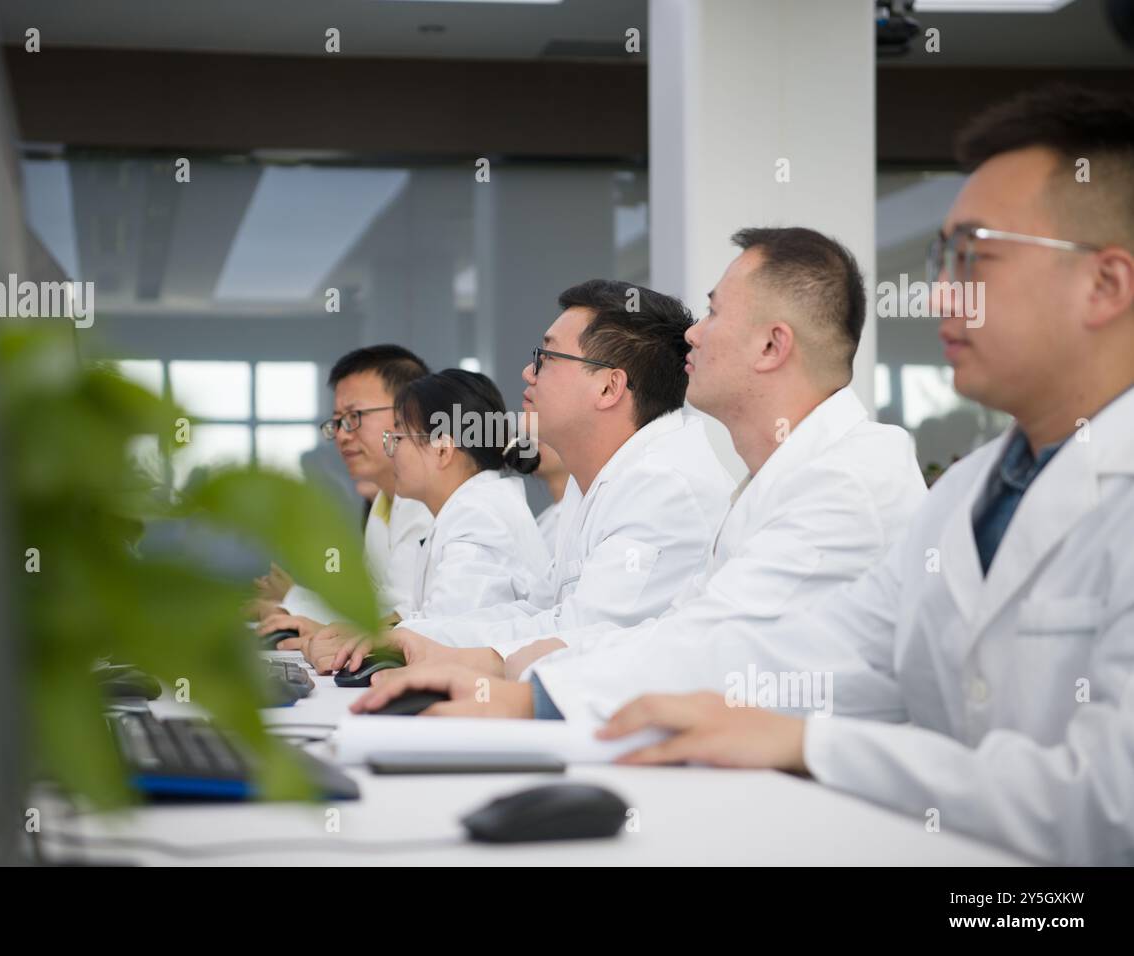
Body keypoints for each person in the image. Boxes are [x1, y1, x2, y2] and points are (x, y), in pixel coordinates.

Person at [387, 86, 1134, 864]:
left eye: (976, 259)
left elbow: (1111, 801)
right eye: (946, 260)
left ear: (1106, 285)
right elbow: (792, 648)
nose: (943, 292)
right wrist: (535, 695)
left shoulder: (850, 481)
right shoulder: (967, 495)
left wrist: (807, 743)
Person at [348, 227, 926, 699]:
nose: (693, 334)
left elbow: (707, 647)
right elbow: (659, 627)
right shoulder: (769, 476)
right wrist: (468, 654)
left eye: (714, 313)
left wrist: (513, 681)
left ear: (772, 346)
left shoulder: (840, 480)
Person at [301, 280, 736, 671]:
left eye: (545, 357)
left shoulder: (663, 484)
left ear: (608, 387)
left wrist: (427, 647)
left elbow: (582, 636)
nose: (528, 373)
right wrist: (414, 638)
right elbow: (540, 611)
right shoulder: (607, 480)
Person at [259, 345, 433, 637]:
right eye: (337, 421)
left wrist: (294, 604)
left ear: (410, 414)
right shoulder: (384, 503)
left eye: (354, 417)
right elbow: (378, 611)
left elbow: (411, 621)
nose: (341, 434)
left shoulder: (429, 502)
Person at [383, 368, 551, 620]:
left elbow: (446, 630)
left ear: (443, 450)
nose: (390, 450)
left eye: (398, 436)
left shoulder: (478, 515)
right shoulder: (473, 506)